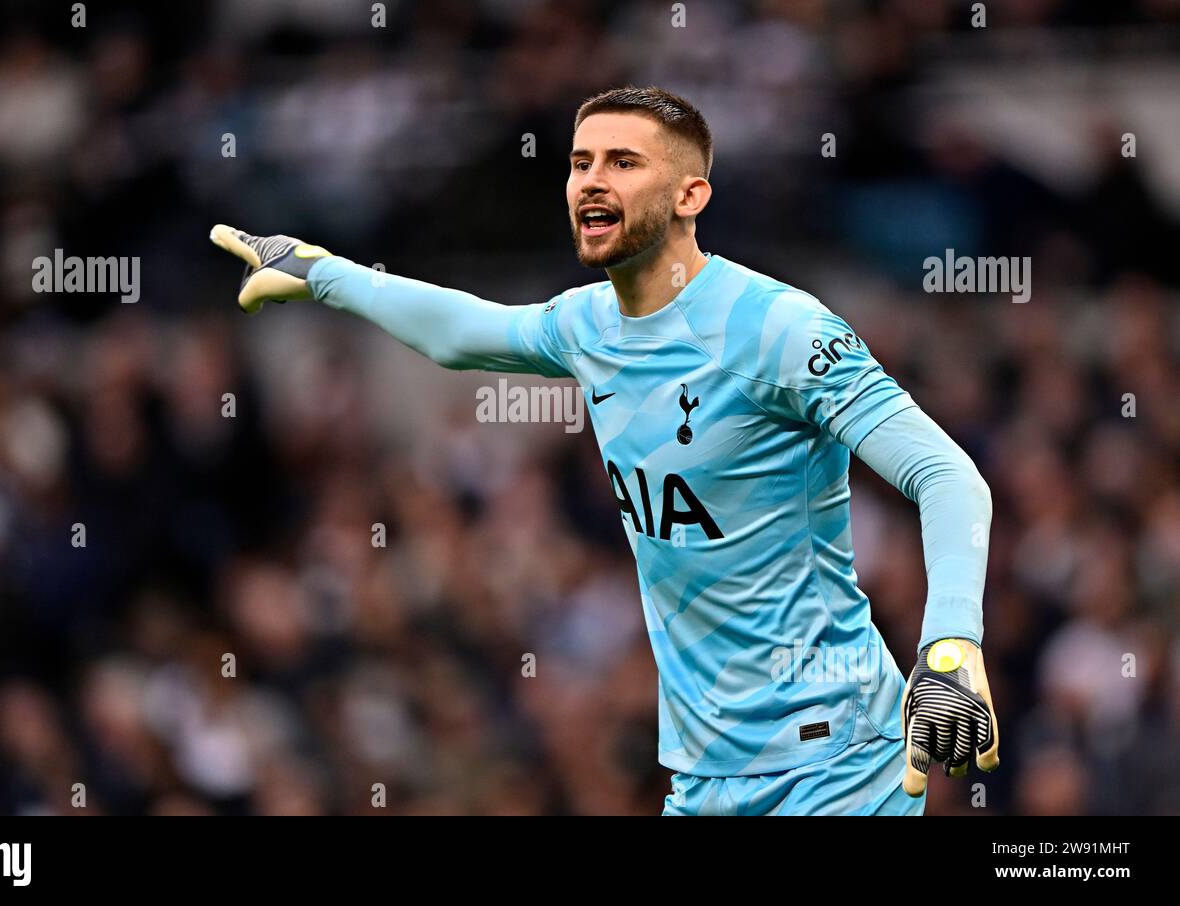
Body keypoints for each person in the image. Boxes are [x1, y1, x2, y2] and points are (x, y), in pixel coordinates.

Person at [209, 86, 999, 816]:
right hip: (705, 774)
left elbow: (946, 475)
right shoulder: (588, 326)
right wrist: (321, 273)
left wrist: (951, 641)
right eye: (581, 162)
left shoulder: (779, 329)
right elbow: (462, 334)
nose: (592, 180)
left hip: (838, 765)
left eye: (623, 162)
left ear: (691, 195)